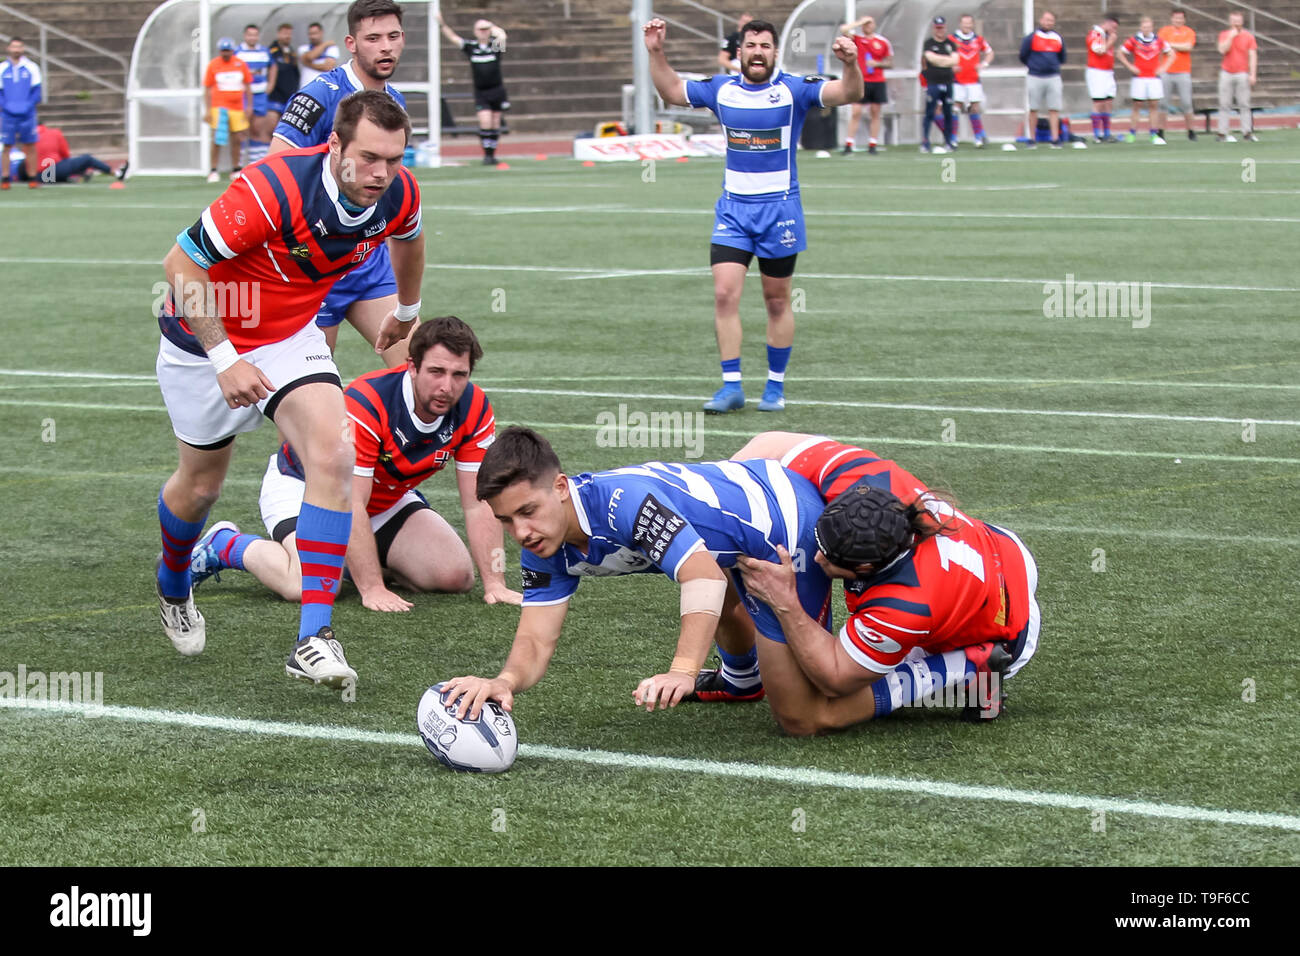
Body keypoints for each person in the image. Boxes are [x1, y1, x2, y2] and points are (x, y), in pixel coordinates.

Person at [152, 89, 424, 691]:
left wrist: (407, 310)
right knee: (200, 487)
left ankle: (313, 638)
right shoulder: (271, 187)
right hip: (203, 338)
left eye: (394, 159)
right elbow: (180, 264)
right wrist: (224, 358)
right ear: (334, 146)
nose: (381, 173)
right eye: (368, 158)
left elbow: (409, 236)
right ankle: (174, 582)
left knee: (334, 452)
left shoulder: (398, 191)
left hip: (289, 335)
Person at [436, 426, 835, 721]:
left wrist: (682, 671)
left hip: (784, 522)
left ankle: (879, 679)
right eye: (506, 520)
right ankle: (741, 680)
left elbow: (704, 579)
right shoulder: (543, 546)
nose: (521, 532)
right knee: (713, 571)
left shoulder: (623, 504)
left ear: (560, 487)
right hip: (732, 540)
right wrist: (504, 681)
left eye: (528, 511)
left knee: (801, 714)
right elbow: (536, 639)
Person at [190, 317, 521, 611]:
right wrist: (372, 587)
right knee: (308, 586)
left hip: (383, 499)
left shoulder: (475, 407)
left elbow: (478, 502)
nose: (446, 387)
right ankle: (225, 545)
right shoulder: (368, 404)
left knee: (454, 576)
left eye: (459, 375)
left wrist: (495, 584)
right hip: (307, 488)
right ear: (412, 366)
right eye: (436, 372)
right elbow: (350, 501)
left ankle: (348, 557)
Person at [728, 432, 1040, 735]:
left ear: (866, 567)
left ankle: (970, 666)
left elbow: (834, 678)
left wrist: (786, 604)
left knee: (812, 715)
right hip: (1001, 551)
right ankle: (738, 674)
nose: (818, 558)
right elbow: (767, 445)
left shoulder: (905, 604)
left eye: (831, 556)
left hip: (1007, 627)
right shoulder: (865, 480)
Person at [643, 18, 862, 415]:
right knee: (724, 294)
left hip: (780, 211)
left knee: (776, 301)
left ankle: (775, 387)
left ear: (775, 52)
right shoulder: (721, 89)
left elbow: (849, 92)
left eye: (764, 46)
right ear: (739, 51)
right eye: (750, 45)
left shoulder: (795, 90)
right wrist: (656, 52)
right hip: (733, 211)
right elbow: (672, 90)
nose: (757, 52)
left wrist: (850, 63)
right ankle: (732, 387)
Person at [272, 0, 414, 366]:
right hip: (316, 266)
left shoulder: (394, 102)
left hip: (368, 262)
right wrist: (302, 254)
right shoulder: (319, 96)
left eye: (393, 36)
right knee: (311, 388)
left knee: (417, 370)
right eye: (373, 38)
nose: (385, 47)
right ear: (351, 43)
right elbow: (273, 176)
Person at [437, 11, 509, 166]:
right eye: (480, 29)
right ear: (475, 31)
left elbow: (502, 35)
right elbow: (453, 38)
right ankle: (486, 155)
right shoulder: (471, 47)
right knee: (485, 121)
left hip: (497, 90)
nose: (483, 32)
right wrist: (442, 24)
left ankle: (492, 154)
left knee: (495, 123)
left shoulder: (495, 46)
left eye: (485, 29)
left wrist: (491, 26)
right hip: (481, 91)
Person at [839, 15, 892, 155]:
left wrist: (877, 64)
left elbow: (890, 62)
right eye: (865, 24)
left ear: (874, 25)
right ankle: (849, 144)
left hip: (878, 81)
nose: (867, 26)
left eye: (870, 23)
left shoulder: (882, 42)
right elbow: (843, 30)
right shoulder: (858, 39)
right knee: (856, 112)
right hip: (861, 81)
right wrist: (860, 21)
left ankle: (872, 144)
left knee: (875, 112)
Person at [1118, 17, 1174, 145]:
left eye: (1148, 27)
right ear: (1141, 27)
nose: (1146, 29)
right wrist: (1130, 66)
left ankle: (1153, 133)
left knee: (1153, 105)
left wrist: (1164, 68)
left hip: (1154, 78)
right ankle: (1132, 133)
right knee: (1137, 105)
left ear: (1152, 27)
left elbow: (1171, 54)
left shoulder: (1159, 40)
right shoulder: (1134, 40)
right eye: (1144, 27)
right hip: (1139, 78)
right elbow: (1120, 53)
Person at [203, 37, 252, 183]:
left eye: (228, 50)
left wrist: (249, 106)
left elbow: (247, 87)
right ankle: (213, 169)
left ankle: (236, 168)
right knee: (217, 138)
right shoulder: (213, 65)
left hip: (237, 108)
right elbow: (207, 88)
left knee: (237, 138)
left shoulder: (240, 64)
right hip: (219, 107)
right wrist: (208, 110)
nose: (226, 53)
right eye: (223, 50)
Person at [9, 123, 123, 183]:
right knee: (87, 159)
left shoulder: (27, 138)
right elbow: (65, 155)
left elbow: (27, 158)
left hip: (36, 177)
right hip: (54, 171)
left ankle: (73, 176)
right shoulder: (54, 133)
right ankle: (115, 172)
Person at [1019, 10, 1066, 148]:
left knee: (1054, 109)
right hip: (1035, 76)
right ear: (1041, 20)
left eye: (1051, 20)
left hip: (1053, 77)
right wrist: (1035, 66)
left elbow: (1062, 57)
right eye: (1046, 19)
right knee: (1034, 108)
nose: (1048, 22)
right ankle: (1032, 139)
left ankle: (1055, 139)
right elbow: (1023, 55)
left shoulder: (1058, 38)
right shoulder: (1031, 37)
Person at [0, 37, 42, 190]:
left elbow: (36, 91)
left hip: (27, 114)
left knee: (30, 145)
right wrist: (6, 106)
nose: (16, 49)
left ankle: (33, 178)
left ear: (23, 48)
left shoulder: (32, 67)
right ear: (8, 48)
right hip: (8, 114)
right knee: (6, 146)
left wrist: (27, 106)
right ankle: (5, 179)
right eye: (14, 46)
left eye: (19, 46)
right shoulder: (2, 68)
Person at [951, 14, 994, 148]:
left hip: (973, 80)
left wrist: (984, 64)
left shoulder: (978, 39)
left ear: (973, 24)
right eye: (965, 23)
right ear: (960, 24)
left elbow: (990, 52)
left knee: (974, 108)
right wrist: (950, 66)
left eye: (969, 23)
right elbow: (944, 55)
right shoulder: (952, 39)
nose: (967, 26)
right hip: (957, 80)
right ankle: (952, 138)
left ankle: (978, 137)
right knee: (955, 108)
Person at [1216, 11, 1258, 142]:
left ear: (1242, 22)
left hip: (1242, 73)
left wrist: (1252, 74)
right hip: (1226, 72)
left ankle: (1247, 132)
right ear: (1230, 22)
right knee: (1224, 104)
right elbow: (1222, 50)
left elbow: (1252, 55)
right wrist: (1230, 37)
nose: (1236, 24)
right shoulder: (1224, 34)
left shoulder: (1248, 36)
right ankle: (1222, 133)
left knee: (1244, 104)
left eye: (1238, 21)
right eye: (1234, 21)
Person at [920, 16, 959, 153]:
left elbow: (955, 60)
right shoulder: (928, 43)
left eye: (941, 28)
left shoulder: (950, 44)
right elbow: (930, 58)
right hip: (933, 83)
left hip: (948, 82)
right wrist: (946, 60)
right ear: (933, 28)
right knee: (930, 112)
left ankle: (948, 141)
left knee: (948, 112)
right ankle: (925, 141)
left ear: (945, 28)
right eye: (937, 28)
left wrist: (940, 60)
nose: (939, 30)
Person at [236, 23, 273, 163]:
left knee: (257, 129)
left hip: (260, 94)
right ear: (245, 36)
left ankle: (256, 164)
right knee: (242, 129)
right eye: (250, 35)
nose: (252, 37)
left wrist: (270, 84)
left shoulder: (264, 52)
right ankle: (239, 164)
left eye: (255, 35)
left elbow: (273, 66)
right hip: (243, 96)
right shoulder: (238, 52)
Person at [1159, 9, 1197, 141]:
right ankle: (1160, 131)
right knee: (1163, 103)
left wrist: (1171, 45)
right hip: (1166, 71)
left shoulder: (1189, 31)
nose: (1178, 20)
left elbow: (1188, 47)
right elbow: (1161, 46)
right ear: (1172, 18)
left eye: (1180, 18)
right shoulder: (1164, 31)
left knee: (1186, 103)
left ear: (1184, 19)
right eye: (1176, 18)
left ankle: (1191, 131)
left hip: (1183, 71)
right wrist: (1177, 46)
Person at [1085, 16, 1119, 143]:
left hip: (1108, 72)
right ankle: (1096, 134)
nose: (1114, 31)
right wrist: (1111, 41)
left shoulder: (1106, 35)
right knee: (1098, 103)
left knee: (1108, 102)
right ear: (1107, 24)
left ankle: (1107, 133)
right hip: (1097, 72)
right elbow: (1099, 51)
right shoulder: (1096, 34)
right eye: (1113, 27)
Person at [266, 23, 299, 129]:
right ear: (279, 34)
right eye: (285, 33)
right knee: (272, 127)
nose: (287, 36)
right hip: (275, 96)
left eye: (289, 34)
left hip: (289, 96)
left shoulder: (292, 52)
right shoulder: (272, 51)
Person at [299, 22, 340, 88]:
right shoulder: (303, 48)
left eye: (315, 33)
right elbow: (310, 57)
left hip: (323, 87)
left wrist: (308, 64)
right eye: (310, 34)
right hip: (305, 87)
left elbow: (328, 67)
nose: (312, 36)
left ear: (321, 33)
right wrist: (325, 44)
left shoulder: (331, 48)